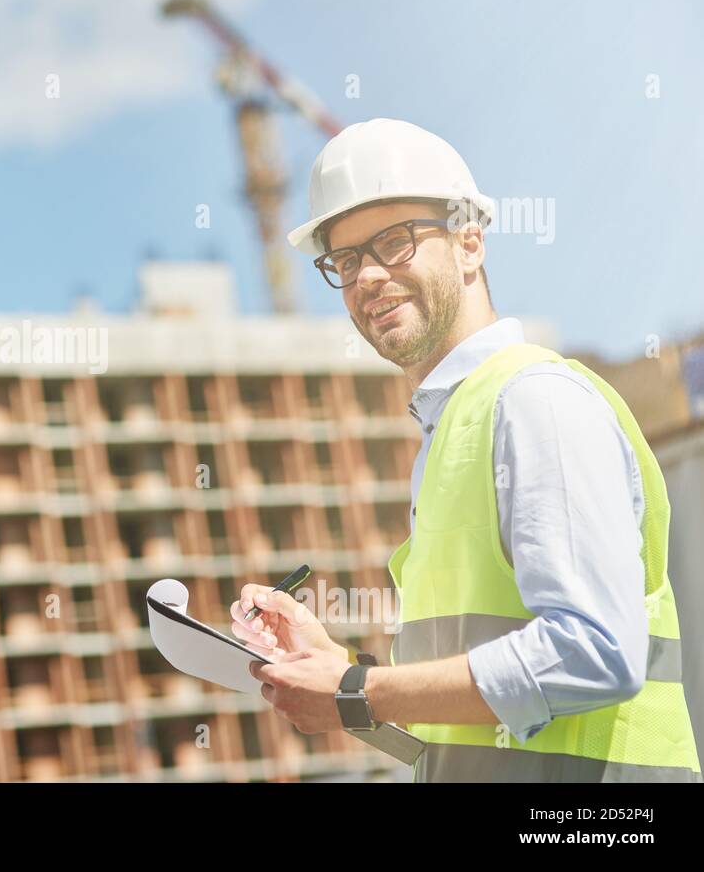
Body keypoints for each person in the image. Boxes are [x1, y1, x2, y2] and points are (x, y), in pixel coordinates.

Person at [231, 118, 701, 781]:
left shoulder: (534, 401)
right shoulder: (454, 432)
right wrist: (343, 673)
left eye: (394, 241)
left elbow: (596, 651)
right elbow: (470, 715)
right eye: (345, 259)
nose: (367, 274)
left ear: (470, 243)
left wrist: (355, 692)